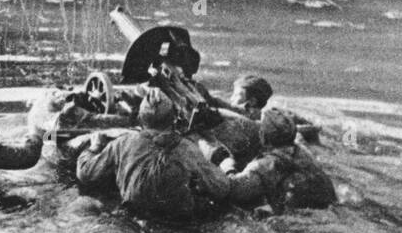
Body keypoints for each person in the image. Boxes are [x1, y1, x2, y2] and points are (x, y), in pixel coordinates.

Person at [68, 89, 261, 221]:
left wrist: (93, 147)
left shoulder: (123, 142)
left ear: (141, 119)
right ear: (173, 119)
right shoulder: (186, 148)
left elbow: (85, 173)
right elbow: (221, 188)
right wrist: (225, 165)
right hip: (177, 222)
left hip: (134, 216)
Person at [233, 108, 337, 211]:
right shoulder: (303, 150)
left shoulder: (263, 165)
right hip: (328, 205)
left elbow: (235, 191)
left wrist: (228, 164)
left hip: (295, 216)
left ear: (263, 136)